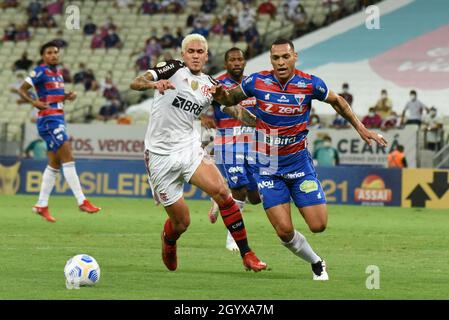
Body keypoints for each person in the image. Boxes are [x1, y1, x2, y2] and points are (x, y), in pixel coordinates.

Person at [210, 38, 387, 280]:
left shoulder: (309, 84)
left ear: (295, 57)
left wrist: (361, 128)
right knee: (284, 231)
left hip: (298, 163)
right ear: (270, 60)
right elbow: (230, 100)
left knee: (318, 225)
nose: (280, 62)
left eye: (285, 57)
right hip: (268, 165)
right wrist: (221, 94)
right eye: (276, 58)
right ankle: (316, 262)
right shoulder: (257, 81)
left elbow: (337, 101)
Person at [129, 34, 267, 272]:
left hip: (190, 149)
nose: (195, 55)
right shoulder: (170, 68)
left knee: (223, 193)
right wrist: (154, 84)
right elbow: (136, 82)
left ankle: (247, 254)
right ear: (183, 55)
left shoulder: (210, 84)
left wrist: (264, 123)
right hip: (160, 155)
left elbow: (234, 110)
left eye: (199, 51)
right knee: (182, 222)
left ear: (206, 55)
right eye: (190, 51)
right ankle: (169, 240)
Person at [18, 41, 101, 223]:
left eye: (55, 52)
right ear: (43, 56)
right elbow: (22, 89)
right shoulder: (40, 71)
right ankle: (82, 200)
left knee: (54, 163)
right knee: (68, 157)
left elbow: (53, 96)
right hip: (48, 120)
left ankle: (41, 204)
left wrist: (66, 96)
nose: (53, 55)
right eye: (49, 52)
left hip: (58, 117)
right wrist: (34, 102)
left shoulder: (58, 74)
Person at [206, 47, 261, 252]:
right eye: (232, 60)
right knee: (240, 190)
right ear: (226, 64)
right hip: (229, 142)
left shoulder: (251, 84)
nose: (237, 63)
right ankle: (233, 238)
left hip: (255, 144)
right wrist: (203, 117)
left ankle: (222, 195)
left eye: (240, 59)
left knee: (255, 198)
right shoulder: (217, 85)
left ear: (245, 62)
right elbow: (199, 106)